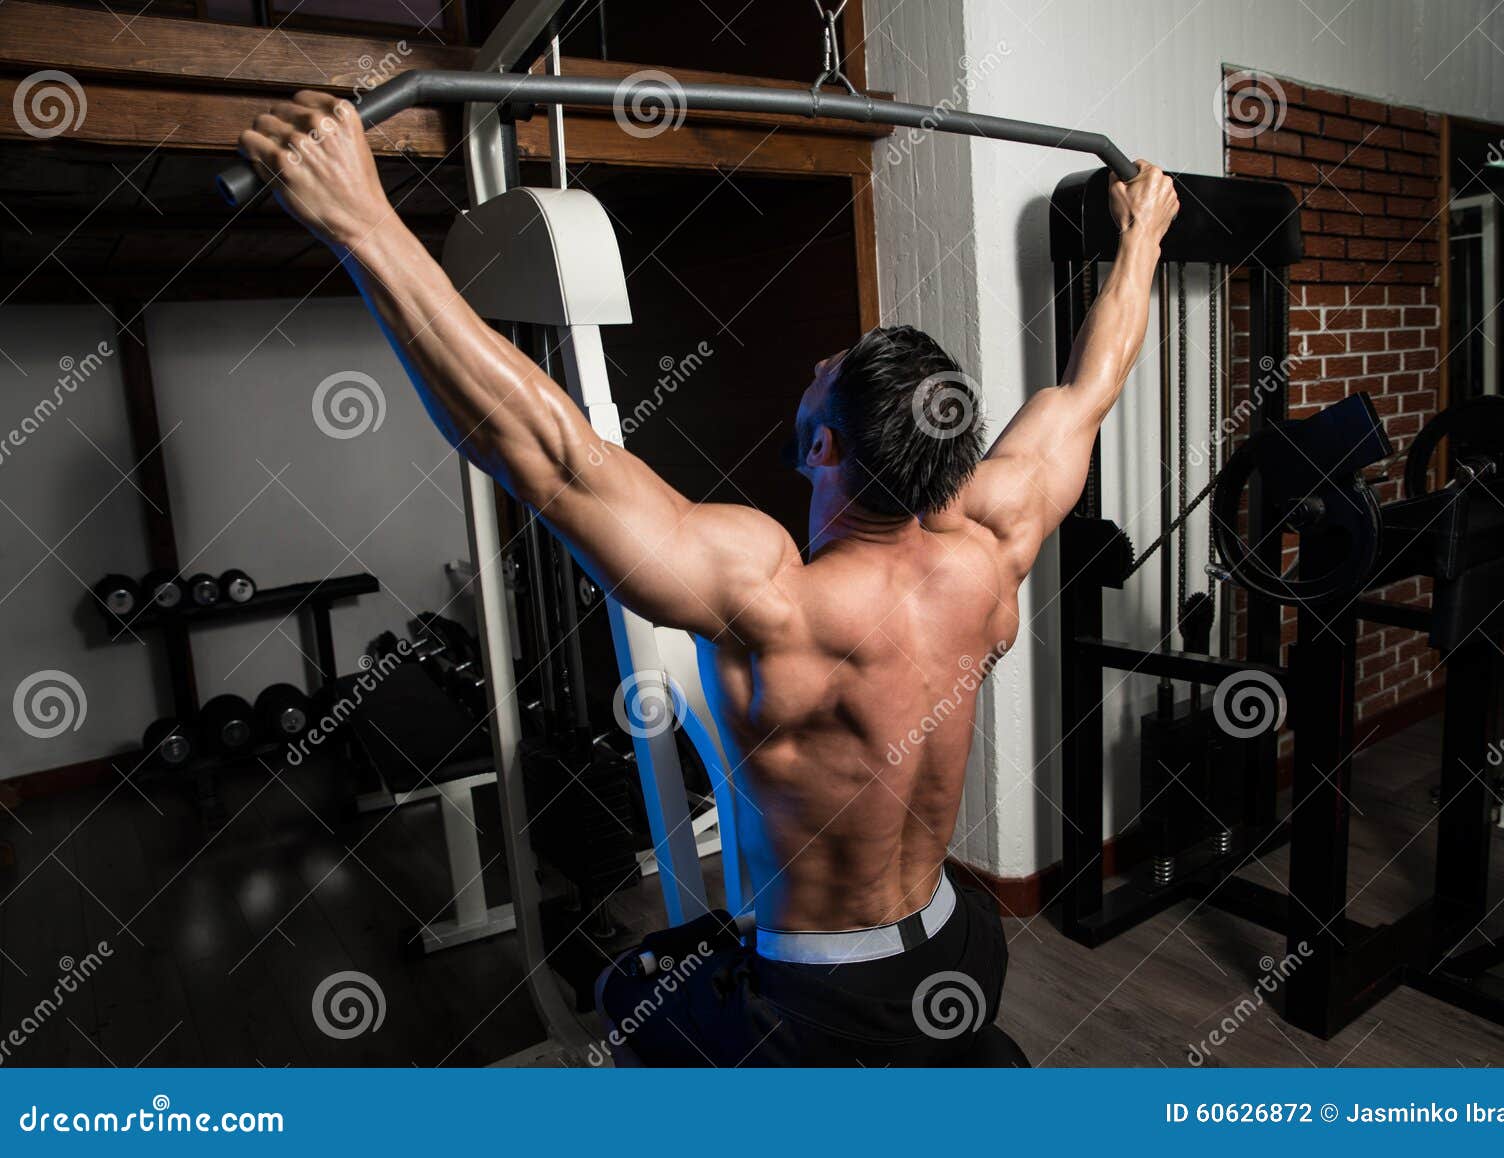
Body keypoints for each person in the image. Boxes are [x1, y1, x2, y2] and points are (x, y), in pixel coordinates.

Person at [237, 92, 1179, 1066]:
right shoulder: (995, 540)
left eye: (826, 372)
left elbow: (547, 456)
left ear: (821, 445)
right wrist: (1142, 236)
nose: (819, 359)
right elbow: (1087, 387)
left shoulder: (773, 599)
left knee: (625, 999)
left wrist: (361, 218)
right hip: (957, 943)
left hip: (824, 1000)